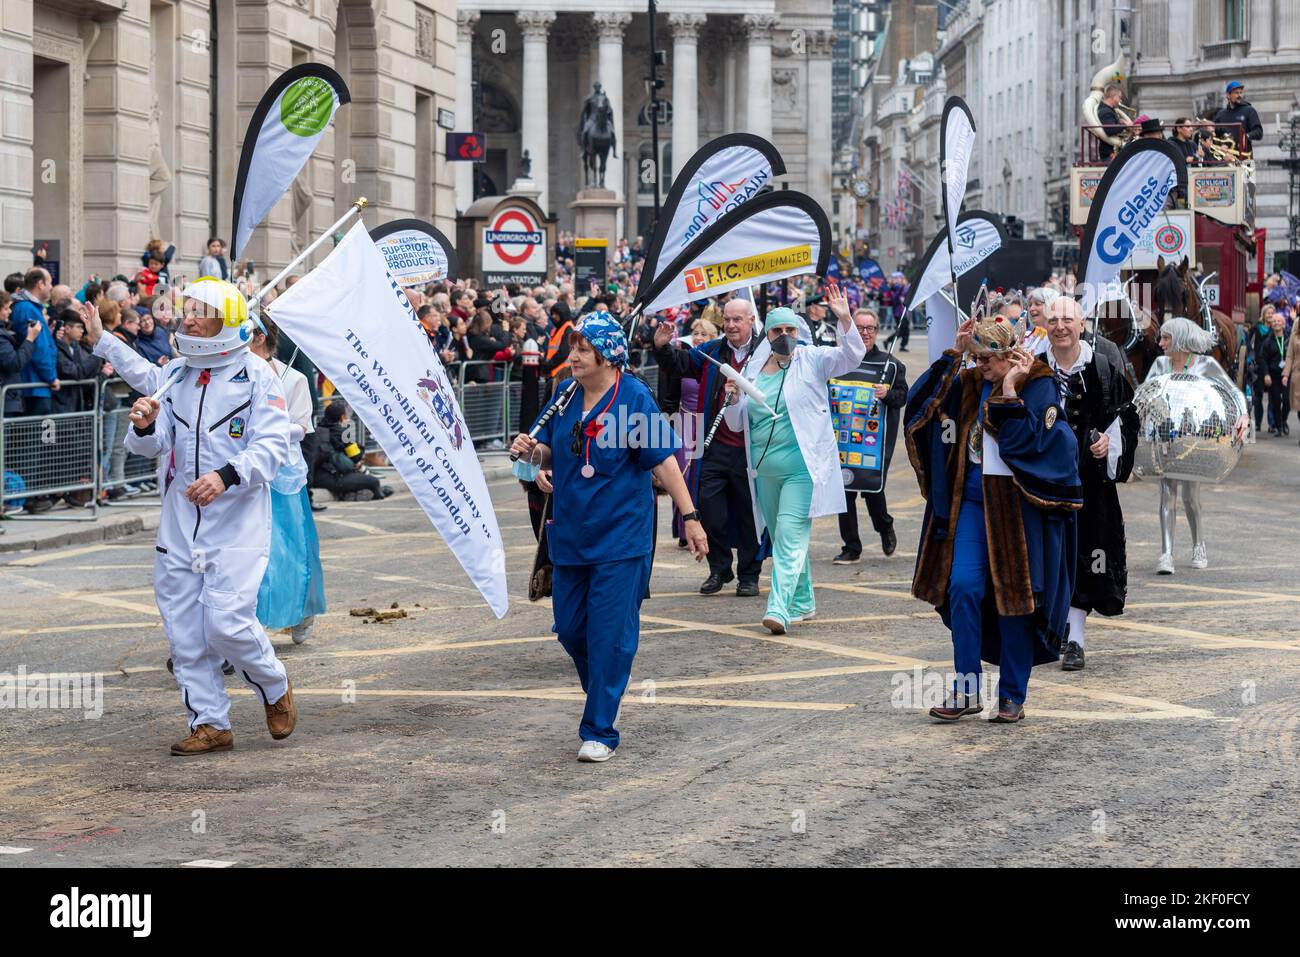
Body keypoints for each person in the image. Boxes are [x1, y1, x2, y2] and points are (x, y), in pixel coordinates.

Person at [99, 277, 298, 755]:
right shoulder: (178, 374)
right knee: (185, 630)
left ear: (225, 320)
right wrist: (146, 424)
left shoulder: (257, 376)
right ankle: (209, 722)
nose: (187, 317)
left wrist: (226, 475)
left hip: (236, 518)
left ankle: (272, 685)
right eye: (186, 308)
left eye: (199, 310)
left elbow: (274, 445)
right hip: (179, 520)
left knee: (226, 623)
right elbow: (156, 443)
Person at [509, 315, 708, 762]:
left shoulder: (634, 397)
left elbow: (664, 462)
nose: (572, 356)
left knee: (611, 636)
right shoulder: (565, 396)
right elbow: (555, 450)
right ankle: (605, 683)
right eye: (572, 348)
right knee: (571, 628)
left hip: (621, 537)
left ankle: (599, 728)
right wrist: (534, 455)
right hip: (571, 534)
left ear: (606, 353)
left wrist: (690, 516)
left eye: (581, 349)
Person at [905, 310, 1082, 723]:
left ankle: (1012, 695)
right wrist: (954, 355)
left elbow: (1029, 446)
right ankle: (966, 689)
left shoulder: (1038, 384)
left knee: (1016, 601)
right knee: (963, 588)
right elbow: (921, 410)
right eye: (977, 357)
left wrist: (1007, 390)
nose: (980, 365)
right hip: (969, 505)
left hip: (1017, 511)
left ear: (1009, 354)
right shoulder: (966, 381)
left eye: (988, 359)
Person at [722, 286, 866, 634]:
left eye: (790, 331)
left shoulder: (813, 359)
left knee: (789, 535)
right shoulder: (753, 370)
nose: (784, 336)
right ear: (767, 334)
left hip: (802, 468)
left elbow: (853, 357)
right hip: (765, 472)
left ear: (798, 332)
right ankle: (804, 601)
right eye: (777, 331)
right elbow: (737, 423)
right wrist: (733, 399)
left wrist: (844, 317)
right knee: (784, 534)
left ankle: (779, 607)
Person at [1042, 297, 1138, 671]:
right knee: (1052, 556)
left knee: (1088, 554)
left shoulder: (1101, 366)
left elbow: (1127, 415)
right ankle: (1057, 627)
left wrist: (1108, 443)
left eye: (1067, 318)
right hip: (1045, 482)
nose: (1060, 325)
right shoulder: (1035, 368)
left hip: (1091, 483)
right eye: (1054, 319)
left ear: (1081, 324)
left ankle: (1076, 639)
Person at [654, 297, 765, 597]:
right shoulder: (713, 351)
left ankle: (749, 575)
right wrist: (663, 347)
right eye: (727, 320)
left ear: (751, 321)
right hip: (714, 445)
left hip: (751, 451)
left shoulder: (764, 352)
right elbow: (680, 365)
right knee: (709, 510)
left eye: (737, 320)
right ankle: (719, 568)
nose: (730, 325)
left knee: (748, 514)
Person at [1146, 316, 1249, 574]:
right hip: (1166, 439)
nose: (1160, 343)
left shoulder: (1205, 364)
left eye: (1166, 338)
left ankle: (1198, 545)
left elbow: (1233, 391)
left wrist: (1243, 415)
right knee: (1166, 495)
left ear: (1180, 339)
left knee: (1191, 498)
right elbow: (1146, 392)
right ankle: (1166, 553)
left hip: (1195, 441)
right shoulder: (1160, 364)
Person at [250, 316, 326, 644]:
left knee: (289, 548)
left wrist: (274, 431)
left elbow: (303, 425)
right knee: (251, 550)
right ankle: (252, 619)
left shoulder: (292, 377)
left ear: (260, 337)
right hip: (247, 472)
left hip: (282, 474)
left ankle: (299, 611)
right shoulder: (235, 376)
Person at [834, 308, 908, 563]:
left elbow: (902, 398)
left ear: (877, 332)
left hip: (872, 445)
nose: (865, 333)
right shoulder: (838, 360)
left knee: (873, 491)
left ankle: (885, 527)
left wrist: (887, 395)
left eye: (870, 328)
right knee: (844, 493)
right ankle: (851, 546)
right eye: (859, 328)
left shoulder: (892, 366)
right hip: (840, 443)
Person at [312, 401, 392, 501]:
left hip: (314, 477)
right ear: (342, 417)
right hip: (333, 477)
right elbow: (357, 456)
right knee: (374, 481)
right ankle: (376, 494)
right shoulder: (343, 434)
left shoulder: (316, 430)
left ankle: (351, 493)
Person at [1257, 306, 1289, 436]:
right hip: (1273, 375)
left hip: (1287, 374)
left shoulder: (1288, 339)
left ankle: (1283, 420)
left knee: (1287, 401)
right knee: (1275, 401)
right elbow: (1262, 359)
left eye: (1279, 321)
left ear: (1283, 324)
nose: (1276, 323)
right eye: (1274, 321)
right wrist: (1266, 374)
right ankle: (1278, 427)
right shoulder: (1268, 341)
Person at [1213, 81, 1263, 155]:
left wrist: (1246, 136)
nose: (1239, 95)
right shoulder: (1221, 114)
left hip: (1244, 157)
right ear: (1228, 95)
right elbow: (1214, 134)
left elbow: (1259, 132)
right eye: (1236, 93)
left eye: (1241, 92)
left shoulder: (1249, 110)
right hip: (1225, 158)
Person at [1096, 83, 1133, 161]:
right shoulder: (1105, 111)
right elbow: (1110, 130)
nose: (1120, 100)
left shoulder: (1107, 110)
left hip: (1111, 152)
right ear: (1114, 96)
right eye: (1119, 97)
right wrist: (1125, 125)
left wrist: (1121, 123)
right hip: (1110, 153)